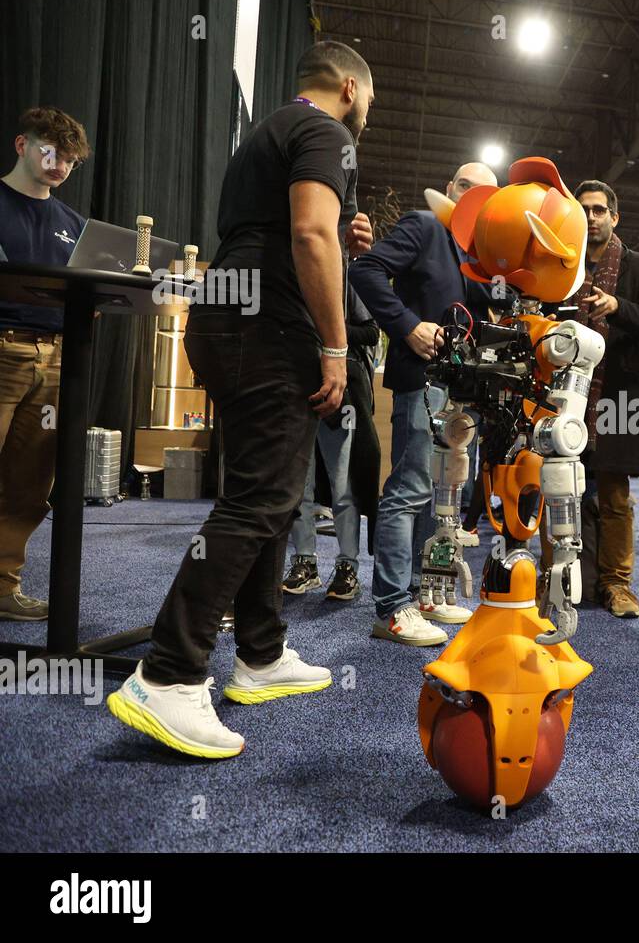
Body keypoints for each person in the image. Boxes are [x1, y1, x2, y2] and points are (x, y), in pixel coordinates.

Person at [106, 42, 376, 757]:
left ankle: (259, 654)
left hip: (226, 313)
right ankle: (167, 673)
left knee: (270, 493)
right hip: (269, 326)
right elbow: (310, 231)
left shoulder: (272, 129)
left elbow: (297, 227)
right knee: (263, 498)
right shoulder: (329, 132)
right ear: (350, 87)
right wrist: (337, 345)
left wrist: (338, 236)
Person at [350, 161, 499, 644]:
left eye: (486, 194)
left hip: (462, 388)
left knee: (443, 495)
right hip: (424, 380)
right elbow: (366, 269)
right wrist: (408, 325)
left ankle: (419, 594)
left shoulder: (480, 253)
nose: (474, 199)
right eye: (467, 188)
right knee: (410, 488)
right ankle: (393, 606)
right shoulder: (426, 224)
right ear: (451, 188)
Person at [544, 179, 639, 619]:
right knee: (559, 489)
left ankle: (617, 585)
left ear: (615, 217)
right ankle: (562, 577)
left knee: (614, 499)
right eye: (585, 210)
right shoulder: (558, 263)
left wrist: (617, 307)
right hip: (562, 396)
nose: (592, 217)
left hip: (619, 396)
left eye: (600, 210)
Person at [0, 106, 88, 623]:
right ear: (22, 145)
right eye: (52, 152)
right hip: (4, 347)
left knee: (30, 482)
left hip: (56, 357)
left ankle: (4, 584)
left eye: (71, 161)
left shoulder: (75, 226)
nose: (60, 166)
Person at [282, 287, 380, 601]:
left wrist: (327, 331)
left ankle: (348, 566)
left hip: (342, 389)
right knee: (299, 486)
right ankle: (305, 562)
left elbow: (370, 332)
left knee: (343, 485)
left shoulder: (344, 275)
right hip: (296, 383)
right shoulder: (289, 269)